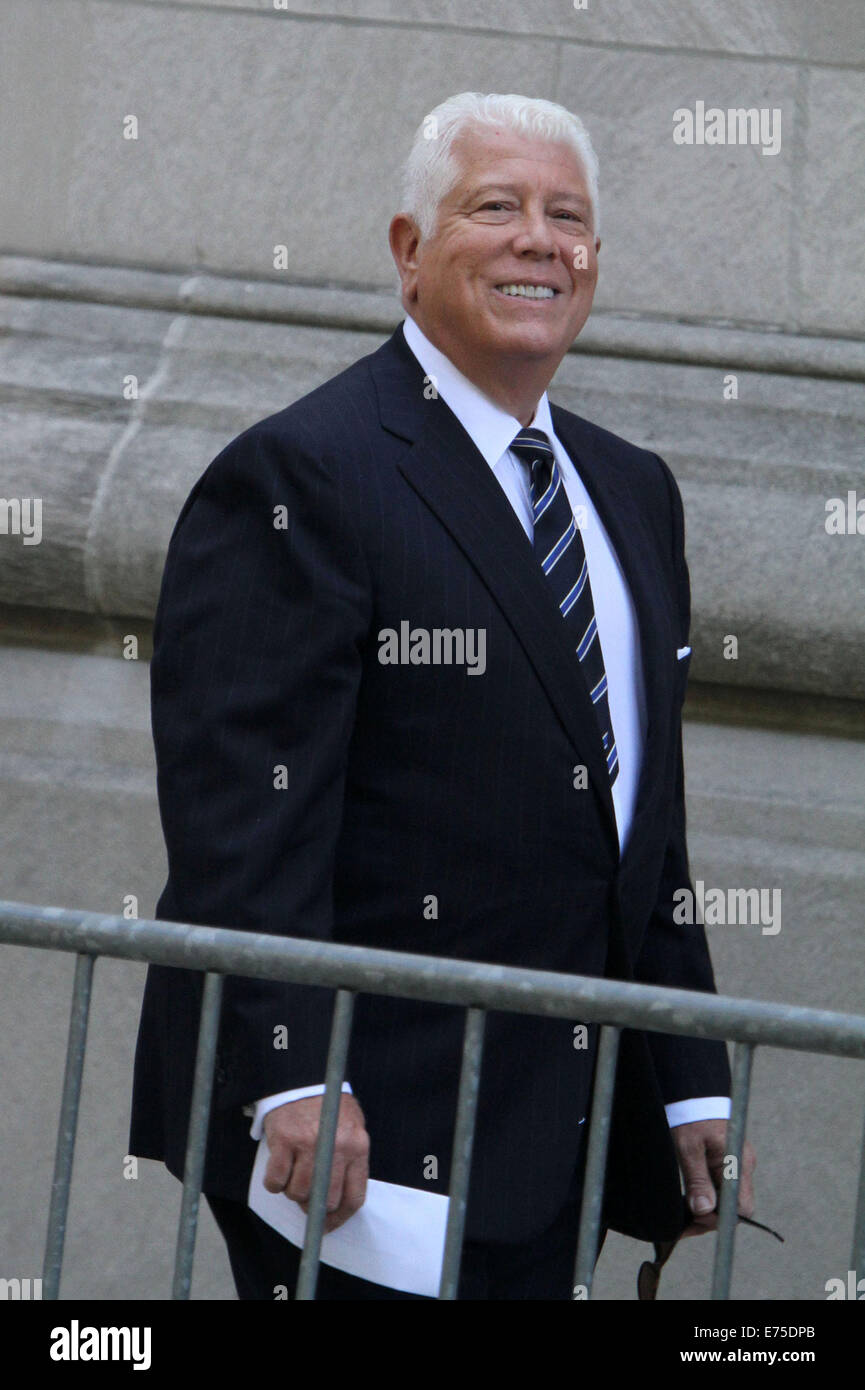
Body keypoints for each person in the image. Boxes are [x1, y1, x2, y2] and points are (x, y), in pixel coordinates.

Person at [129, 91, 756, 1301]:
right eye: (495, 207)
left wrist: (686, 1068)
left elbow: (640, 820)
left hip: (558, 1130)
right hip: (357, 1128)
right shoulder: (304, 473)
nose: (539, 239)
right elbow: (242, 816)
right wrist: (297, 1071)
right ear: (409, 252)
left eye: (565, 216)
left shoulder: (633, 493)